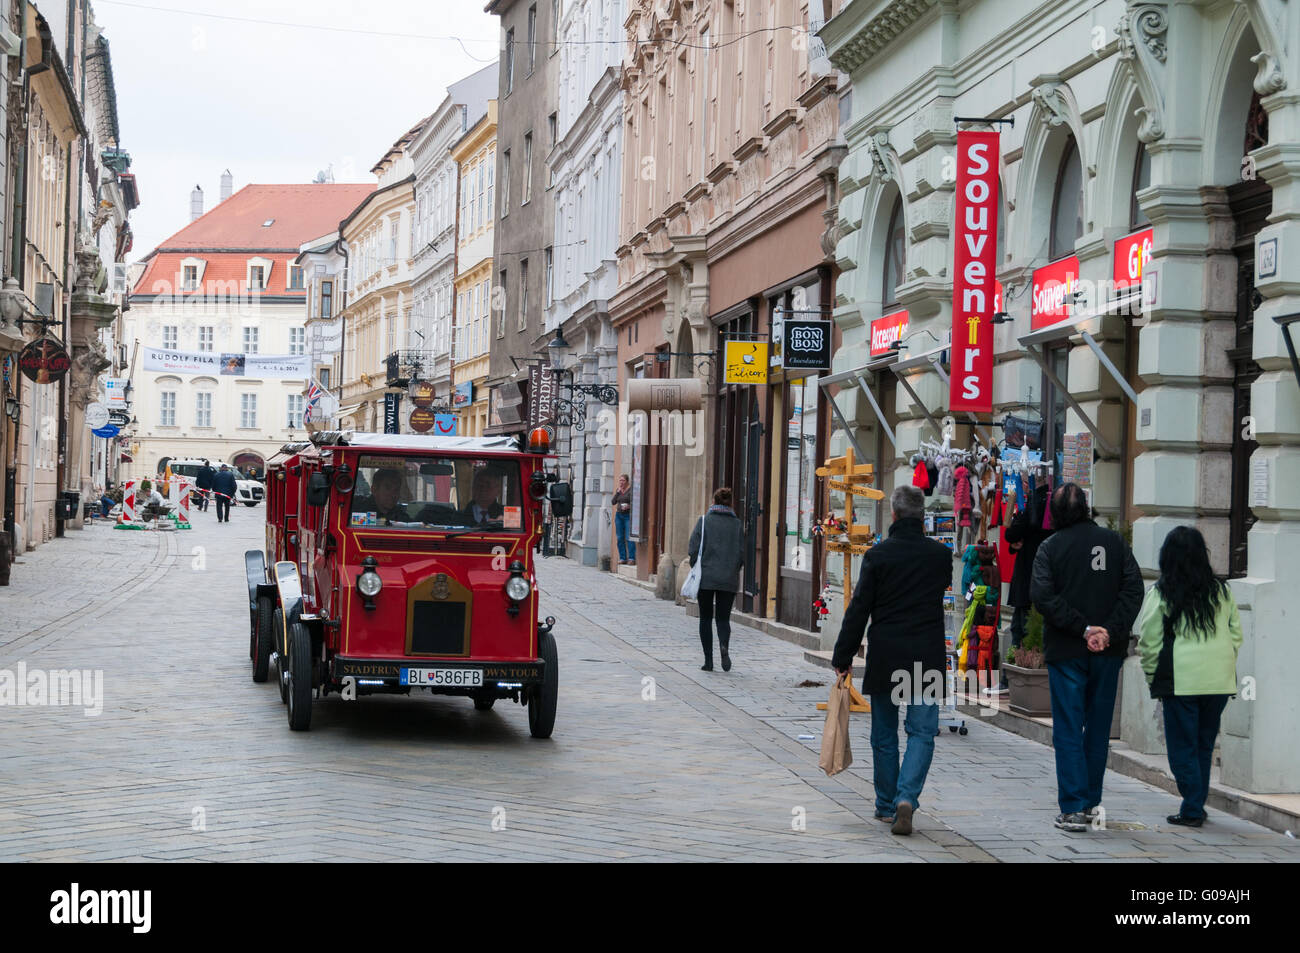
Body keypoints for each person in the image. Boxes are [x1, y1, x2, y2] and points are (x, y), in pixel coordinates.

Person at [832, 485, 952, 836]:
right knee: (922, 732)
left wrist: (843, 655)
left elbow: (859, 609)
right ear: (921, 515)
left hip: (887, 653)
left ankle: (886, 805)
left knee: (885, 735)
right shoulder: (940, 556)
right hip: (926, 655)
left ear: (895, 515)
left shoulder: (879, 556)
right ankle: (907, 798)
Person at [1030, 482, 1143, 832]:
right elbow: (1134, 588)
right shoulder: (1116, 543)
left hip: (1067, 651)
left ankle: (1074, 807)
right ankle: (1091, 802)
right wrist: (1108, 630)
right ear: (1088, 508)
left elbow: (1042, 596)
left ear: (1058, 514)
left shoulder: (1050, 548)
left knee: (1067, 727)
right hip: (1108, 652)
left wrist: (1083, 629)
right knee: (1097, 729)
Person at [1136, 527, 1242, 827]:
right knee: (1204, 745)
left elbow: (1149, 639)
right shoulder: (1222, 591)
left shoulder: (1161, 593)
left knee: (1182, 749)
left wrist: (1151, 675)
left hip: (1180, 681)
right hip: (1219, 681)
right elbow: (1236, 634)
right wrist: (1222, 659)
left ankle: (1193, 806)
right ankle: (1195, 803)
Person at [1001, 472, 1053, 685]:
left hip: (1027, 579)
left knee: (1020, 630)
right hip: (1041, 579)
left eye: (1024, 481)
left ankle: (1010, 679)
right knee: (1023, 628)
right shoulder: (1050, 502)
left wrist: (1015, 536)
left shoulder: (1034, 502)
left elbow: (1011, 533)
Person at [687, 488, 744, 672]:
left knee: (705, 618)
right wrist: (734, 569)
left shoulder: (704, 521)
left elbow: (693, 548)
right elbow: (742, 553)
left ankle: (708, 661)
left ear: (714, 501)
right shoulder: (737, 525)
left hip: (706, 577)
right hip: (728, 578)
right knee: (723, 618)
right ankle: (724, 647)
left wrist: (696, 565)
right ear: (730, 503)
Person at [612, 473, 636, 565]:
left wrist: (628, 506)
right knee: (619, 537)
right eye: (620, 480)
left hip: (627, 516)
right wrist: (617, 493)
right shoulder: (618, 491)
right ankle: (622, 558)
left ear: (627, 482)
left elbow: (634, 502)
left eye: (623, 481)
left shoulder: (630, 491)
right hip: (619, 515)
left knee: (628, 537)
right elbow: (613, 502)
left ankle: (631, 558)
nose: (621, 482)